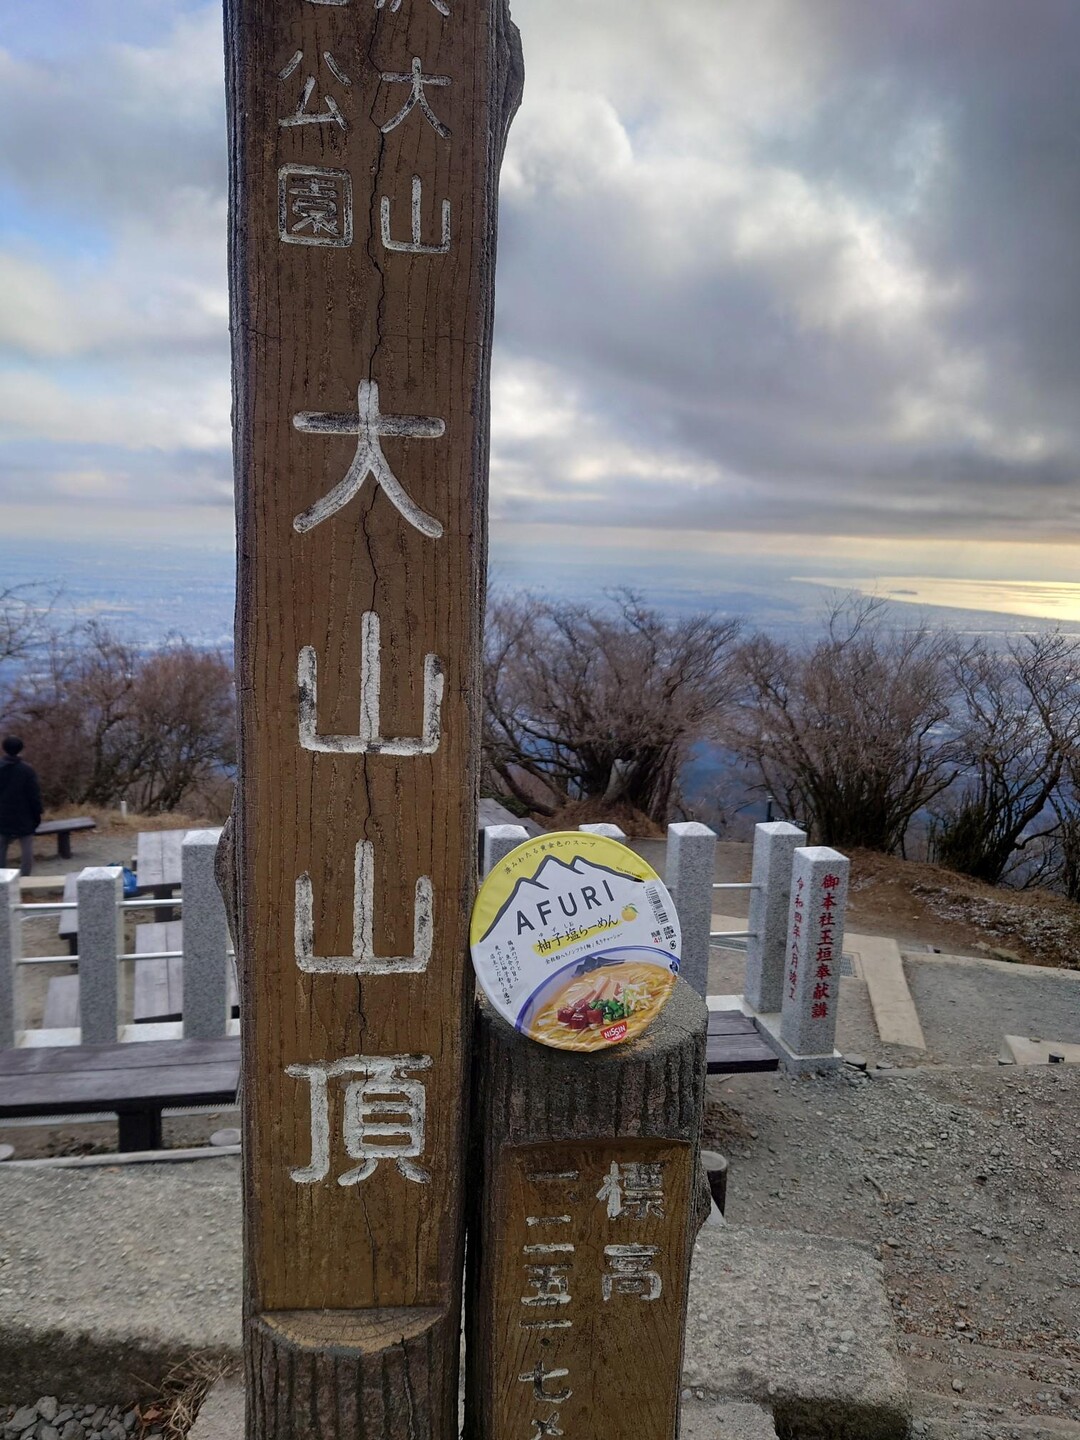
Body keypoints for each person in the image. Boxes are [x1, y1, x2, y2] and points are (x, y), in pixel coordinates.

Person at [0, 736, 42, 877]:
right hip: (24, 815)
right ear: (20, 749)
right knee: (26, 849)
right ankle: (25, 877)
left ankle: (2, 880)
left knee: (1, 847)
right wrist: (37, 815)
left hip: (2, 815)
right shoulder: (27, 770)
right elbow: (34, 796)